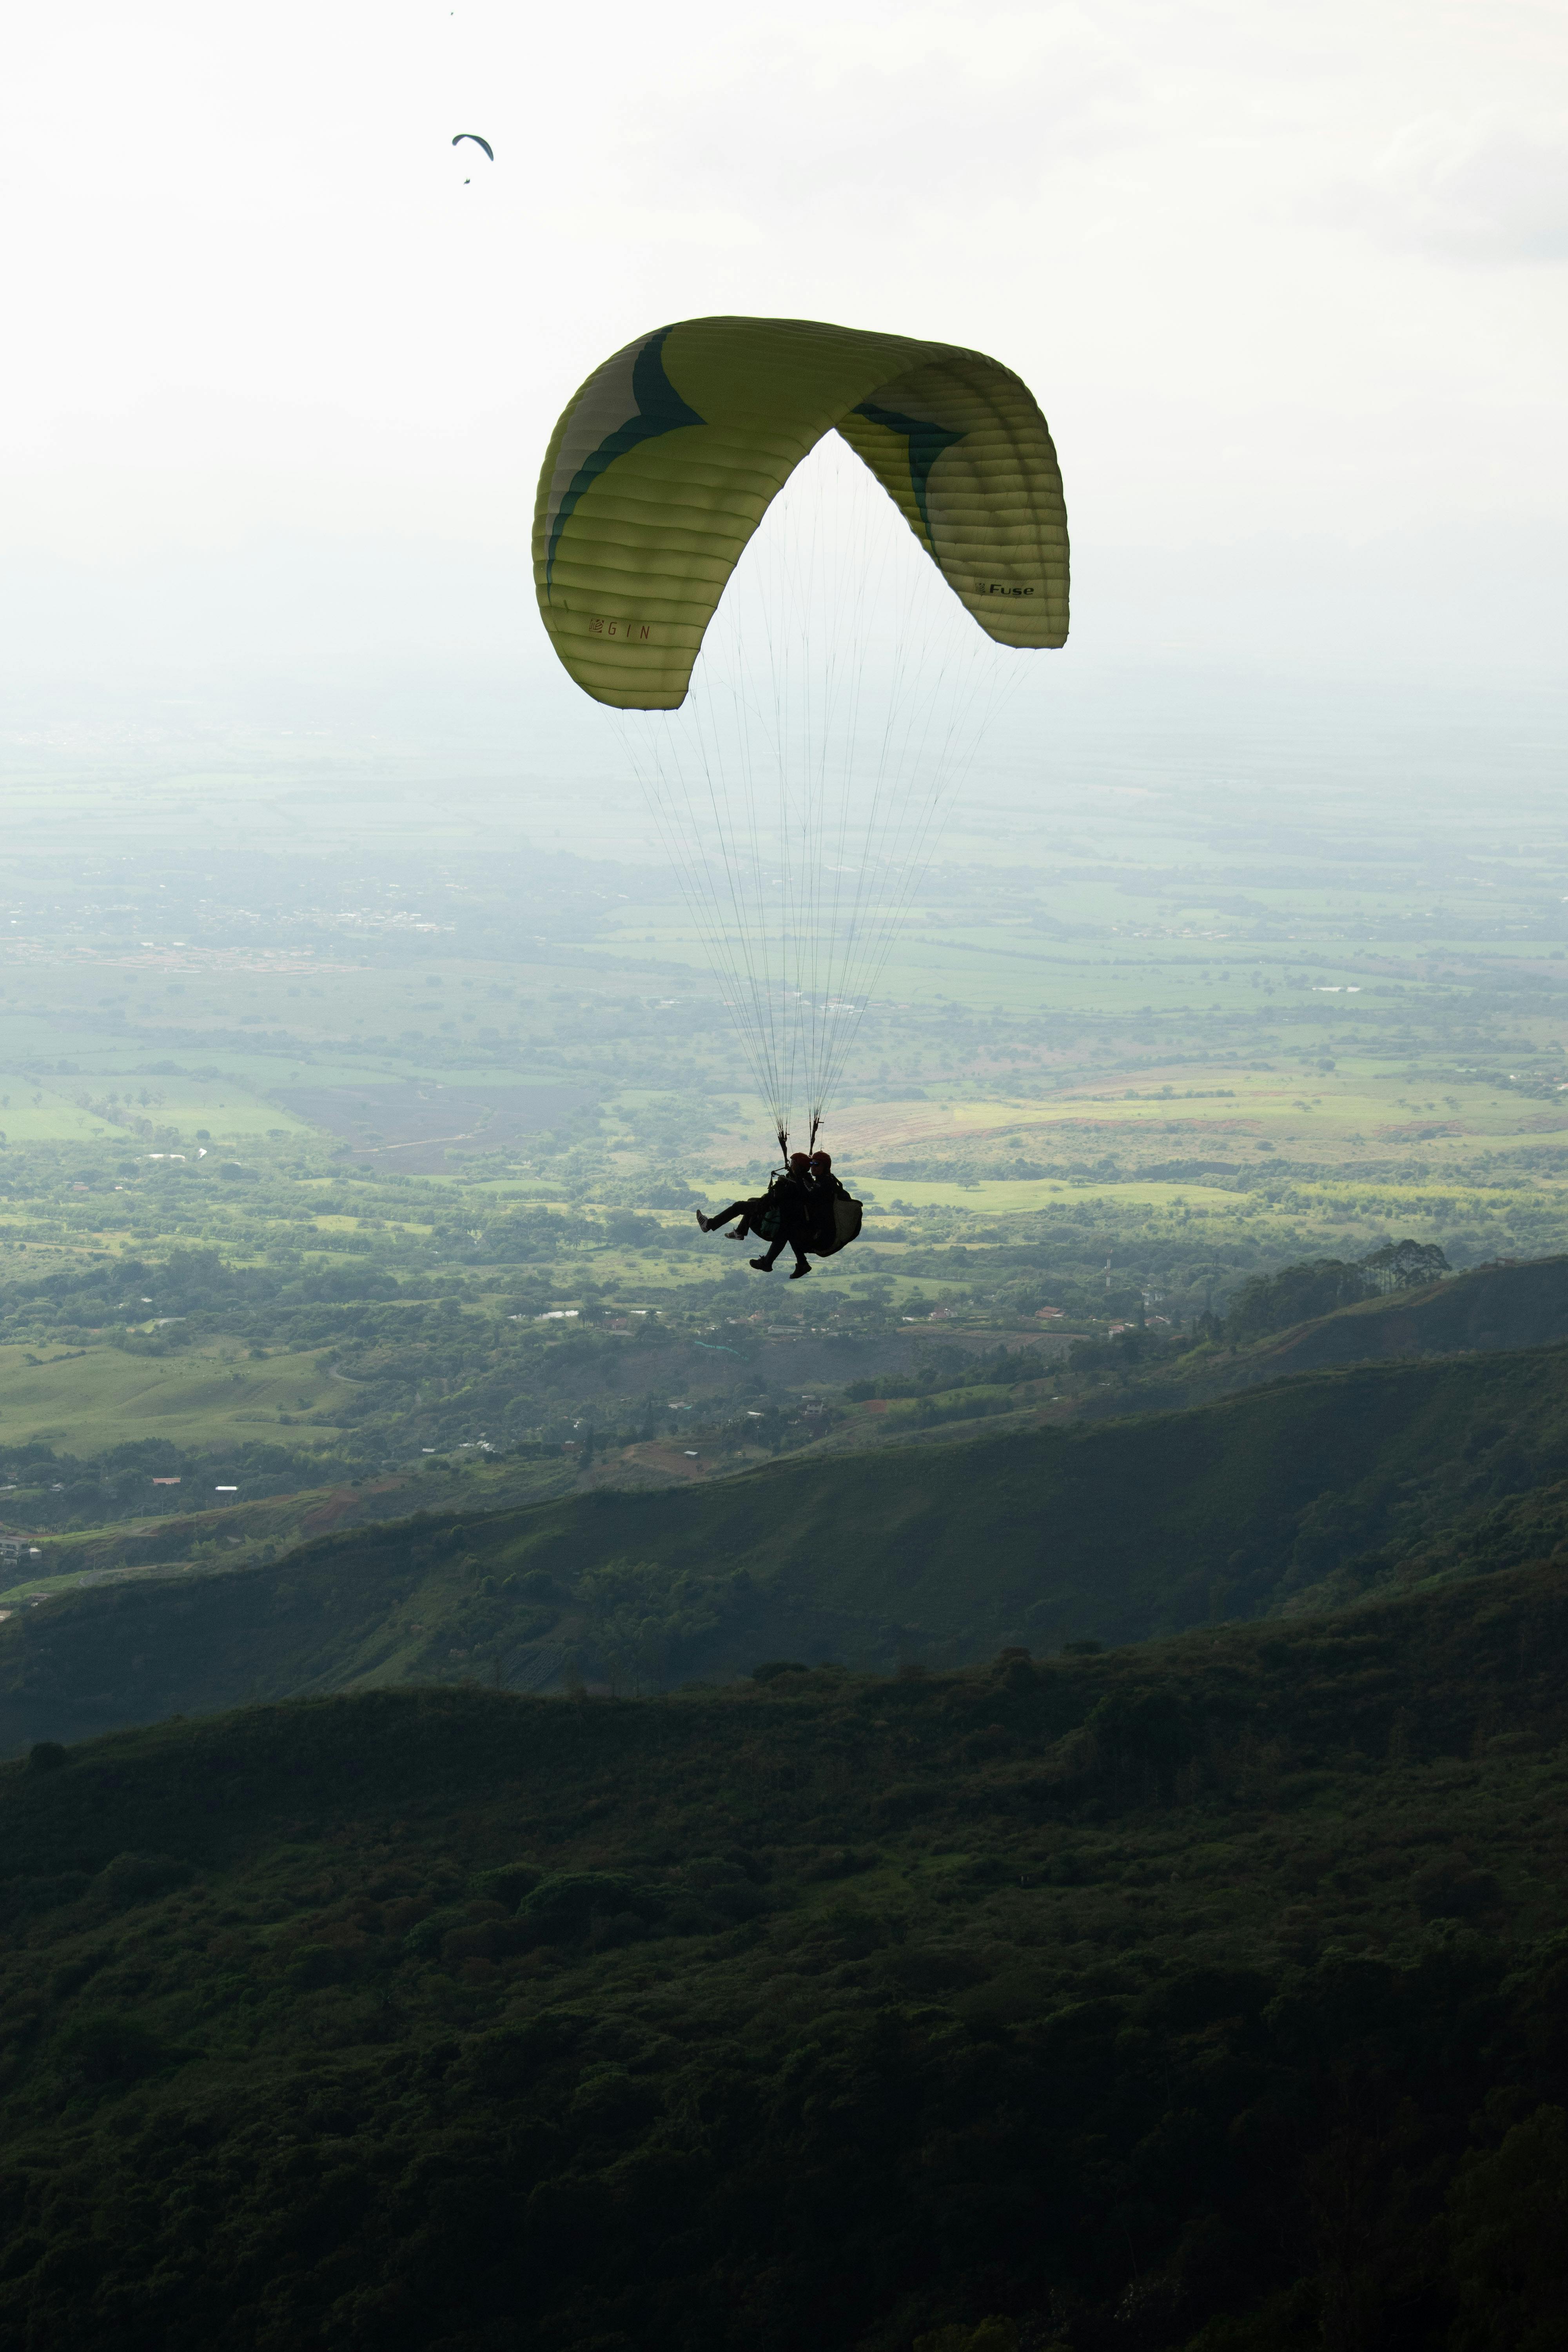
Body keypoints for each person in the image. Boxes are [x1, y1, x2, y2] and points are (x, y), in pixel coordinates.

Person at [695, 1154, 813, 1275]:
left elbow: (777, 1197)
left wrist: (780, 1183)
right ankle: (740, 1233)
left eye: (793, 1163)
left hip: (774, 1211)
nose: (791, 1165)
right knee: (751, 1201)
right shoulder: (805, 1180)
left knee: (739, 1206)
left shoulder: (798, 1183)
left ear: (798, 1168)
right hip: (785, 1215)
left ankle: (709, 1225)